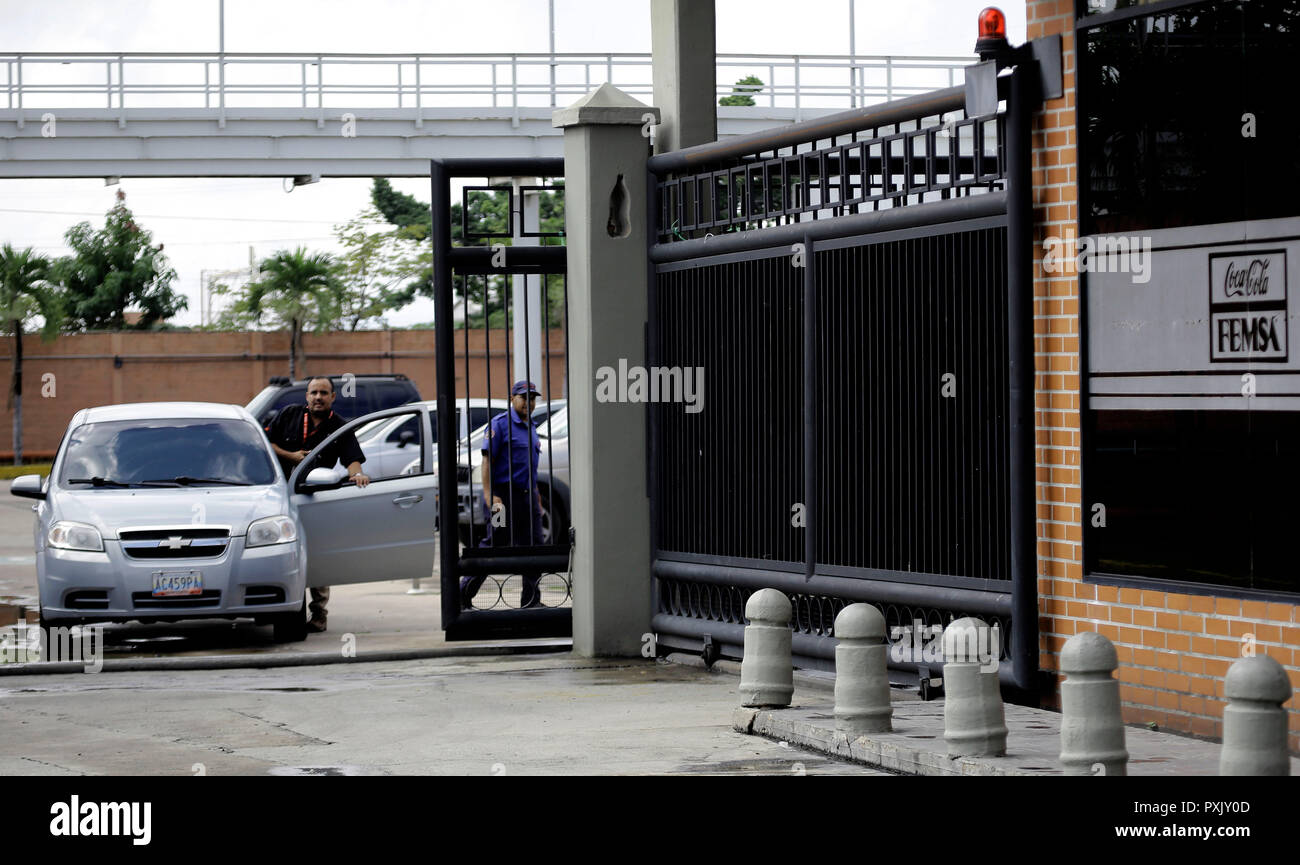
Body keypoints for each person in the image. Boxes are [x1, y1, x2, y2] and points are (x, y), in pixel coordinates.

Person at [263, 376, 370, 633]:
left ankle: (319, 613)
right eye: (313, 392)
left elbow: (352, 460)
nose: (318, 397)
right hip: (278, 497)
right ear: (307, 396)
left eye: (324, 393)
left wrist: (358, 475)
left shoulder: (339, 427)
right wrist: (292, 456)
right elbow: (266, 444)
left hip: (314, 498)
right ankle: (273, 605)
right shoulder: (288, 415)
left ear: (333, 397)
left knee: (315, 555)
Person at [461, 380, 546, 610]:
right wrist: (490, 496)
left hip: (527, 498)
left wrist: (536, 495)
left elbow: (530, 466)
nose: (529, 402)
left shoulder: (531, 426)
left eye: (532, 398)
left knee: (534, 546)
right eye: (524, 397)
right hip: (503, 499)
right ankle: (463, 594)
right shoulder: (500, 425)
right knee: (495, 543)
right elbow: (487, 462)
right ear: (512, 399)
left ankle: (531, 600)